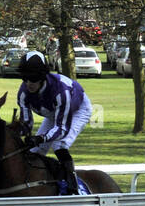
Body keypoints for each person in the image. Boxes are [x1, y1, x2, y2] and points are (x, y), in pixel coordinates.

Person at [15, 50, 90, 191]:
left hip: (77, 110)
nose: (29, 84)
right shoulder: (23, 93)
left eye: (33, 79)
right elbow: (26, 123)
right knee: (35, 150)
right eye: (25, 78)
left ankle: (72, 186)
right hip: (54, 113)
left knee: (59, 145)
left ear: (42, 77)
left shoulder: (61, 91)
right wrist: (16, 133)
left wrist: (41, 138)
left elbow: (62, 129)